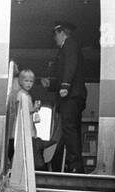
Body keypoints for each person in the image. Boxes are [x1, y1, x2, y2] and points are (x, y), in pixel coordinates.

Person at [46, 21, 87, 173]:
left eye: (55, 34)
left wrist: (65, 86)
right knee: (72, 130)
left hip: (71, 95)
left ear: (61, 33)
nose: (54, 38)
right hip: (75, 95)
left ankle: (75, 165)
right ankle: (73, 164)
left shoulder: (69, 45)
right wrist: (51, 84)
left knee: (69, 129)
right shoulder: (71, 46)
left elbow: (70, 65)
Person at [6, 67, 46, 170]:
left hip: (25, 129)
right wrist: (33, 109)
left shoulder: (26, 95)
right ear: (20, 81)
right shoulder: (21, 95)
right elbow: (22, 111)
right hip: (21, 130)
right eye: (26, 81)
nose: (29, 84)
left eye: (31, 81)